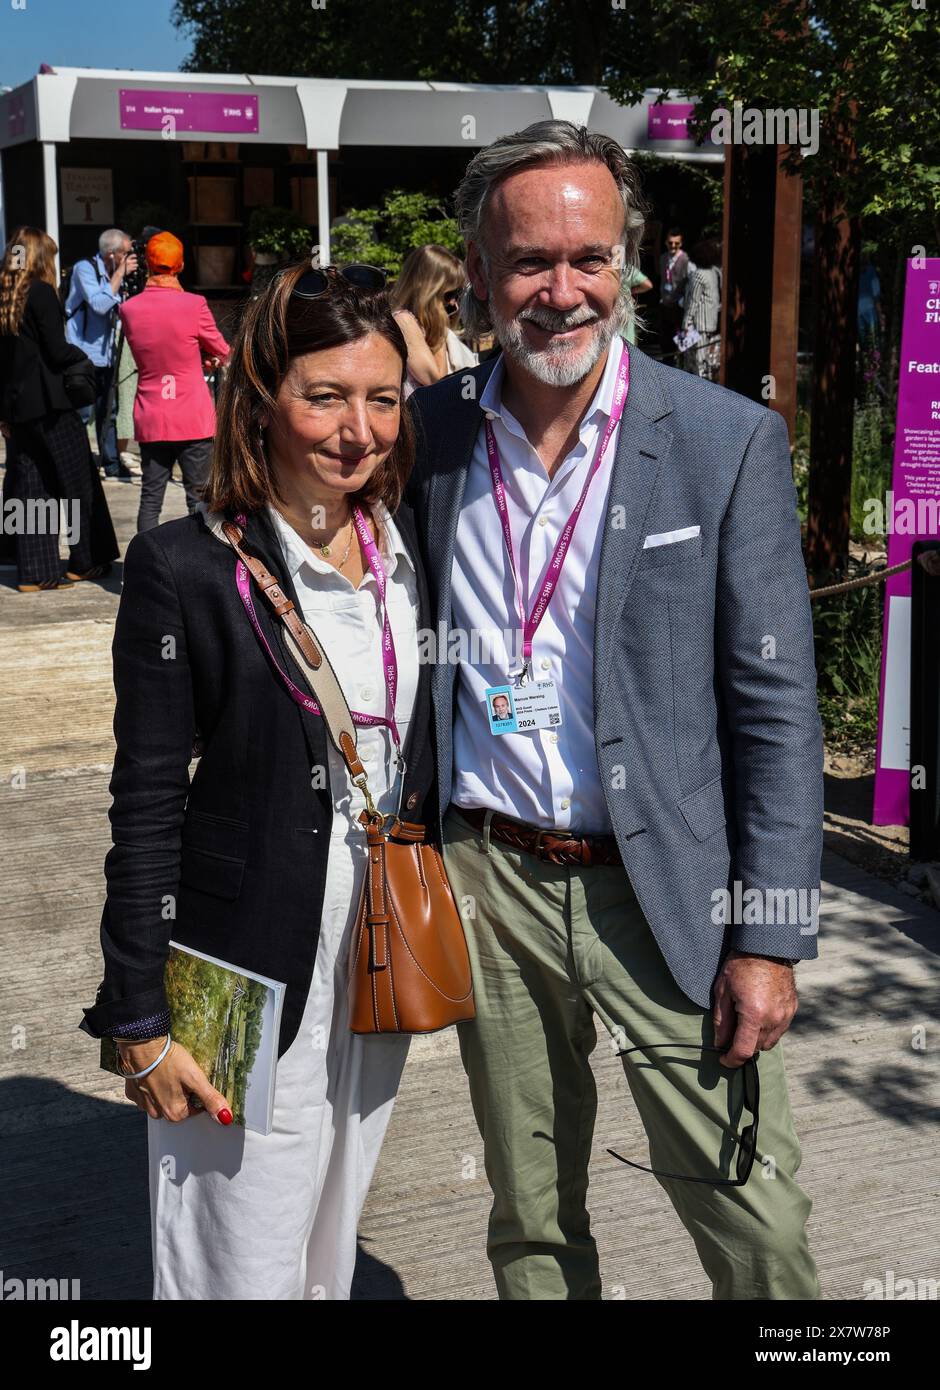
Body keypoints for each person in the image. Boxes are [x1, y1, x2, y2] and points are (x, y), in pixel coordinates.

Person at [406, 119, 824, 1301]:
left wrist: (770, 934)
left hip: (675, 894)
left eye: (589, 257)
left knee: (754, 1217)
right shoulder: (427, 434)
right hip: (490, 885)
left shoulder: (721, 440)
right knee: (531, 1215)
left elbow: (776, 705)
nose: (561, 290)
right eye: (530, 261)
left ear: (629, 262)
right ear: (478, 275)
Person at [77, 260, 436, 1301]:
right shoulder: (185, 566)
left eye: (381, 397)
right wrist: (137, 1017)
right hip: (235, 964)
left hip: (376, 948)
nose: (357, 429)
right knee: (232, 1247)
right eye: (324, 395)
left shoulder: (405, 547)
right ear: (263, 398)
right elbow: (144, 799)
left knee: (331, 1226)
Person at [0, 226, 119, 591]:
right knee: (77, 482)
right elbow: (56, 349)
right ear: (38, 257)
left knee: (33, 488)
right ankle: (85, 561)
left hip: (17, 410)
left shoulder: (5, 296)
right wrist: (83, 358)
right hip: (52, 405)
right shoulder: (40, 293)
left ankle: (36, 572)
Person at [117, 232, 231, 531]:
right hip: (191, 414)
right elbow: (222, 349)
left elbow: (155, 351)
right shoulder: (194, 305)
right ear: (179, 264)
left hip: (152, 414)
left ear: (148, 264)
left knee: (151, 497)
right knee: (199, 496)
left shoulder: (129, 309)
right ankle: (200, 567)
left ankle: (142, 570)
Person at [64, 227, 136, 480]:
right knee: (82, 413)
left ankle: (112, 463)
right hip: (83, 354)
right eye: (126, 253)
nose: (130, 258)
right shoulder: (85, 269)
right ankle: (75, 465)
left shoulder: (117, 274)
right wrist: (118, 275)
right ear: (112, 253)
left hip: (107, 356)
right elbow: (98, 305)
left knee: (109, 411)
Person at [389, 244, 478, 397]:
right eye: (450, 294)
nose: (454, 303)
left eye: (457, 294)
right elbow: (436, 381)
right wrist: (440, 330)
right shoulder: (403, 320)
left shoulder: (420, 326)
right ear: (430, 291)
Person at [680, 238, 722, 380]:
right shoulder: (715, 273)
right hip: (711, 323)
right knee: (708, 361)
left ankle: (697, 390)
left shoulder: (697, 275)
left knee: (694, 361)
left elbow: (693, 301)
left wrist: (685, 324)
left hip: (697, 325)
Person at [658, 227, 692, 358]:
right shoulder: (663, 258)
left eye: (676, 243)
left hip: (679, 306)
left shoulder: (685, 260)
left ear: (681, 244)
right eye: (670, 243)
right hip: (665, 304)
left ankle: (681, 367)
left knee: (681, 343)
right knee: (666, 341)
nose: (673, 246)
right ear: (666, 243)